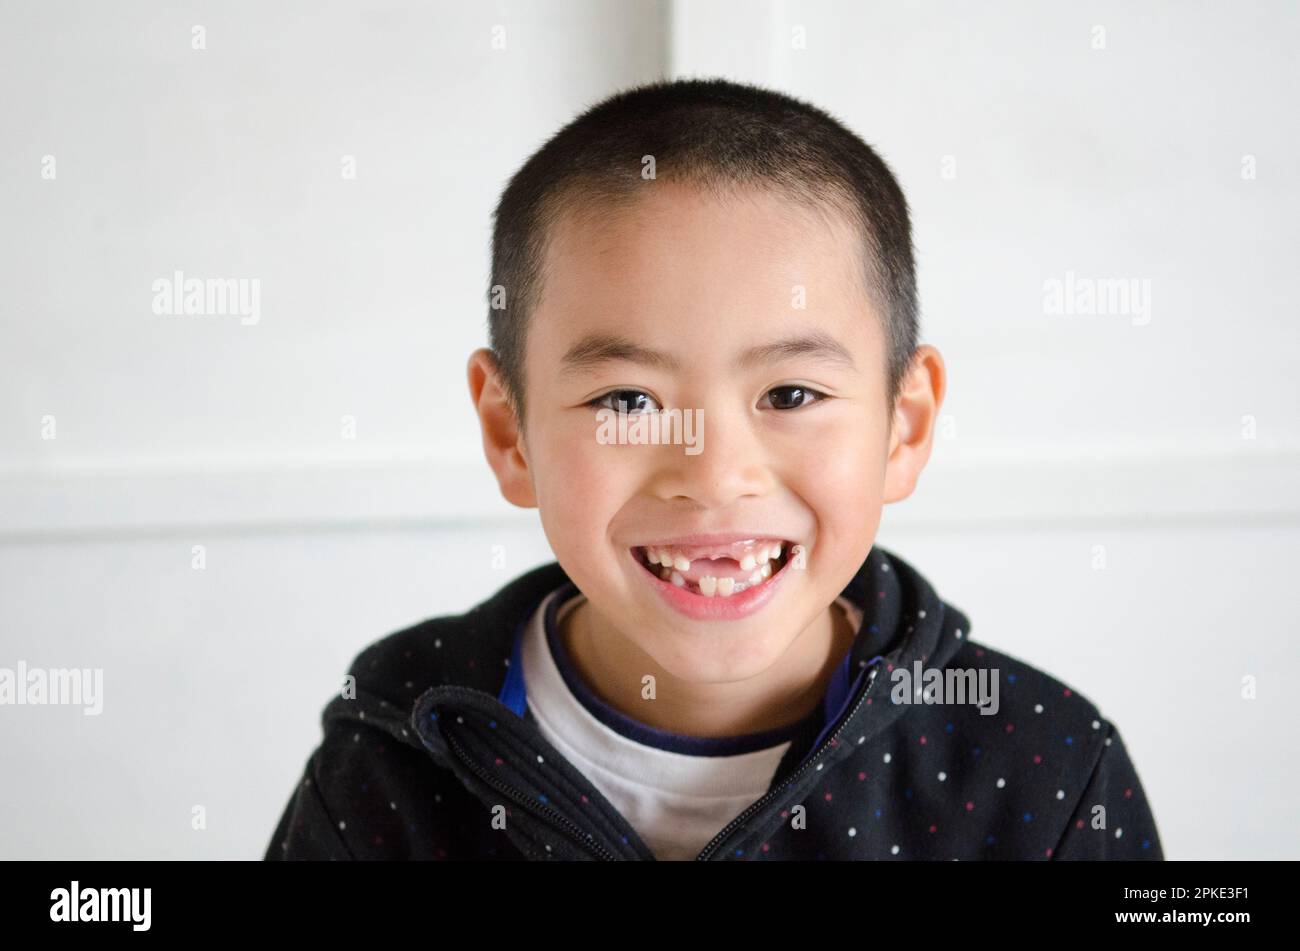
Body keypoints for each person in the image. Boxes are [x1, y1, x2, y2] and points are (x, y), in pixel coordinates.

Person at [265, 77, 1162, 861]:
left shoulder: (1043, 775)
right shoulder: (389, 765)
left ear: (904, 425)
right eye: (626, 402)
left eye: (792, 394)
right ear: (511, 432)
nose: (714, 473)